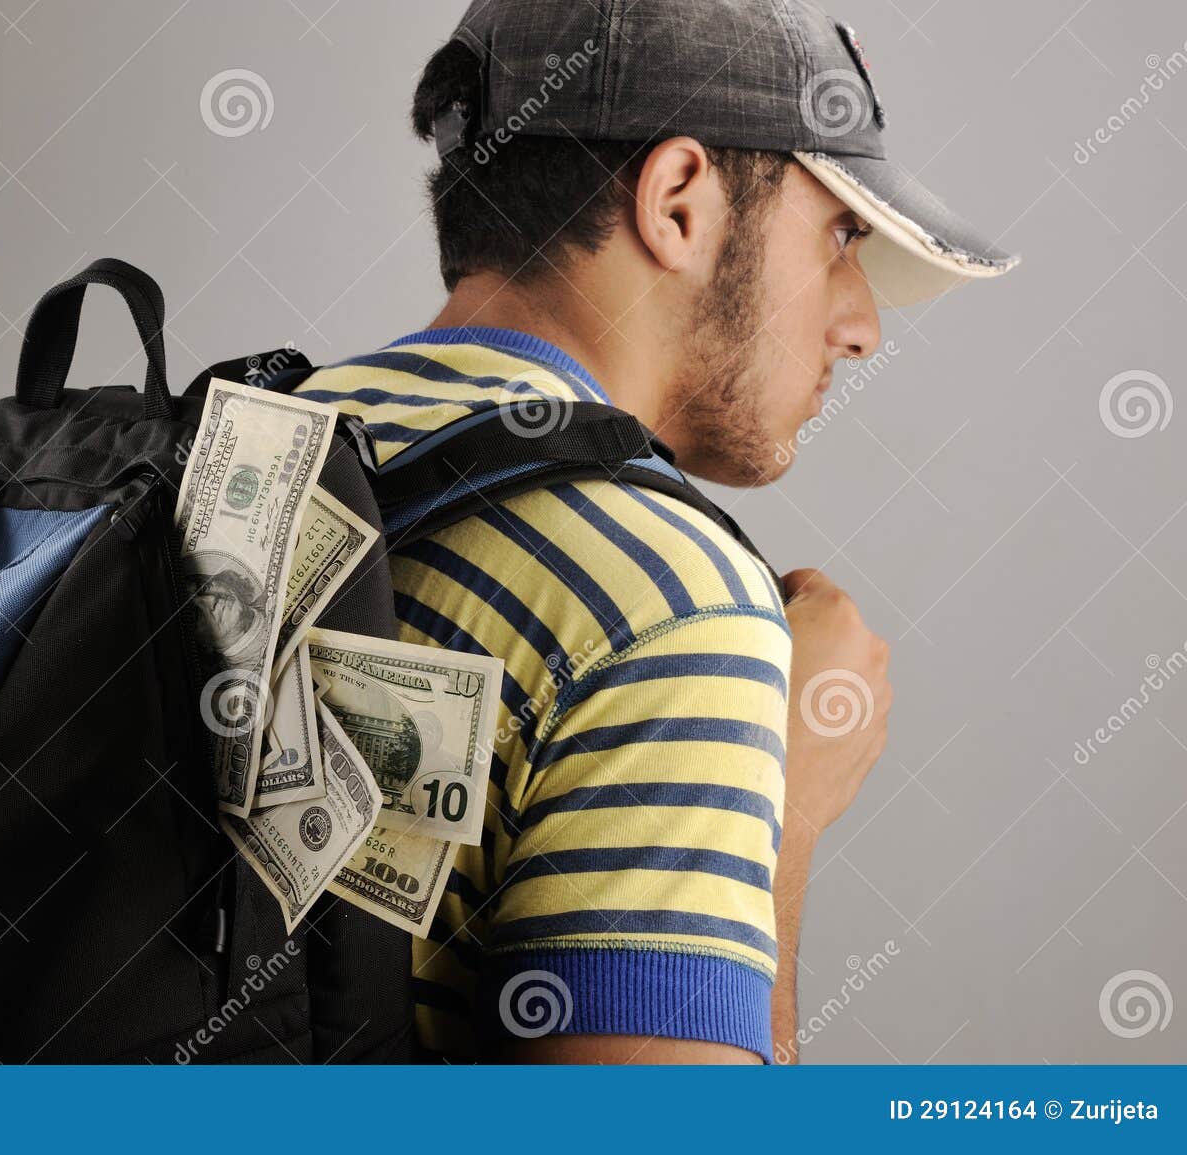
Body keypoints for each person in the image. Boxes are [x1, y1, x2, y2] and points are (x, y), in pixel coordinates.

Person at [292, 0, 1017, 1063]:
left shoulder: (249, 446)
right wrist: (783, 814)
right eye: (838, 235)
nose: (862, 327)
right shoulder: (670, 605)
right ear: (678, 202)